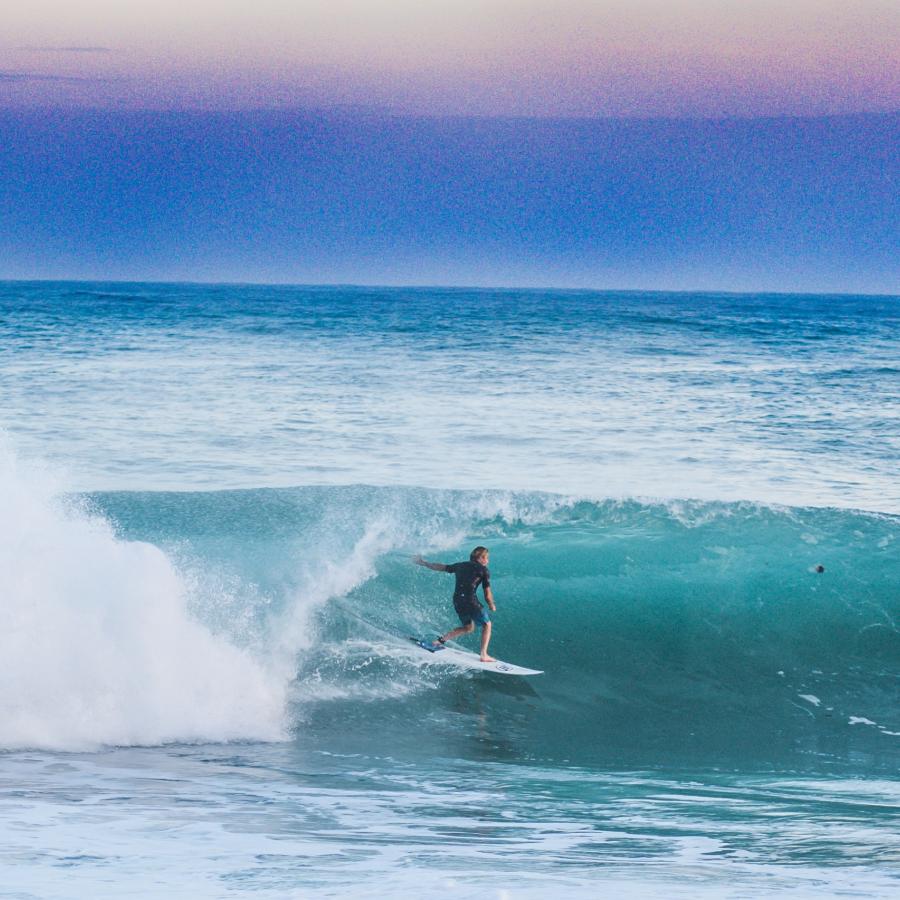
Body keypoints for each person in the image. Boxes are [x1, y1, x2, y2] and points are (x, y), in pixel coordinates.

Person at [413, 546, 497, 662]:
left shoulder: (460, 565)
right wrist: (491, 605)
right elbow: (487, 594)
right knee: (487, 624)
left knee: (468, 627)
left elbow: (441, 567)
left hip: (458, 600)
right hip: (470, 601)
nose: (488, 561)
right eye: (487, 558)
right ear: (481, 558)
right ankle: (484, 654)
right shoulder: (483, 570)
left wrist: (423, 563)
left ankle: (437, 642)